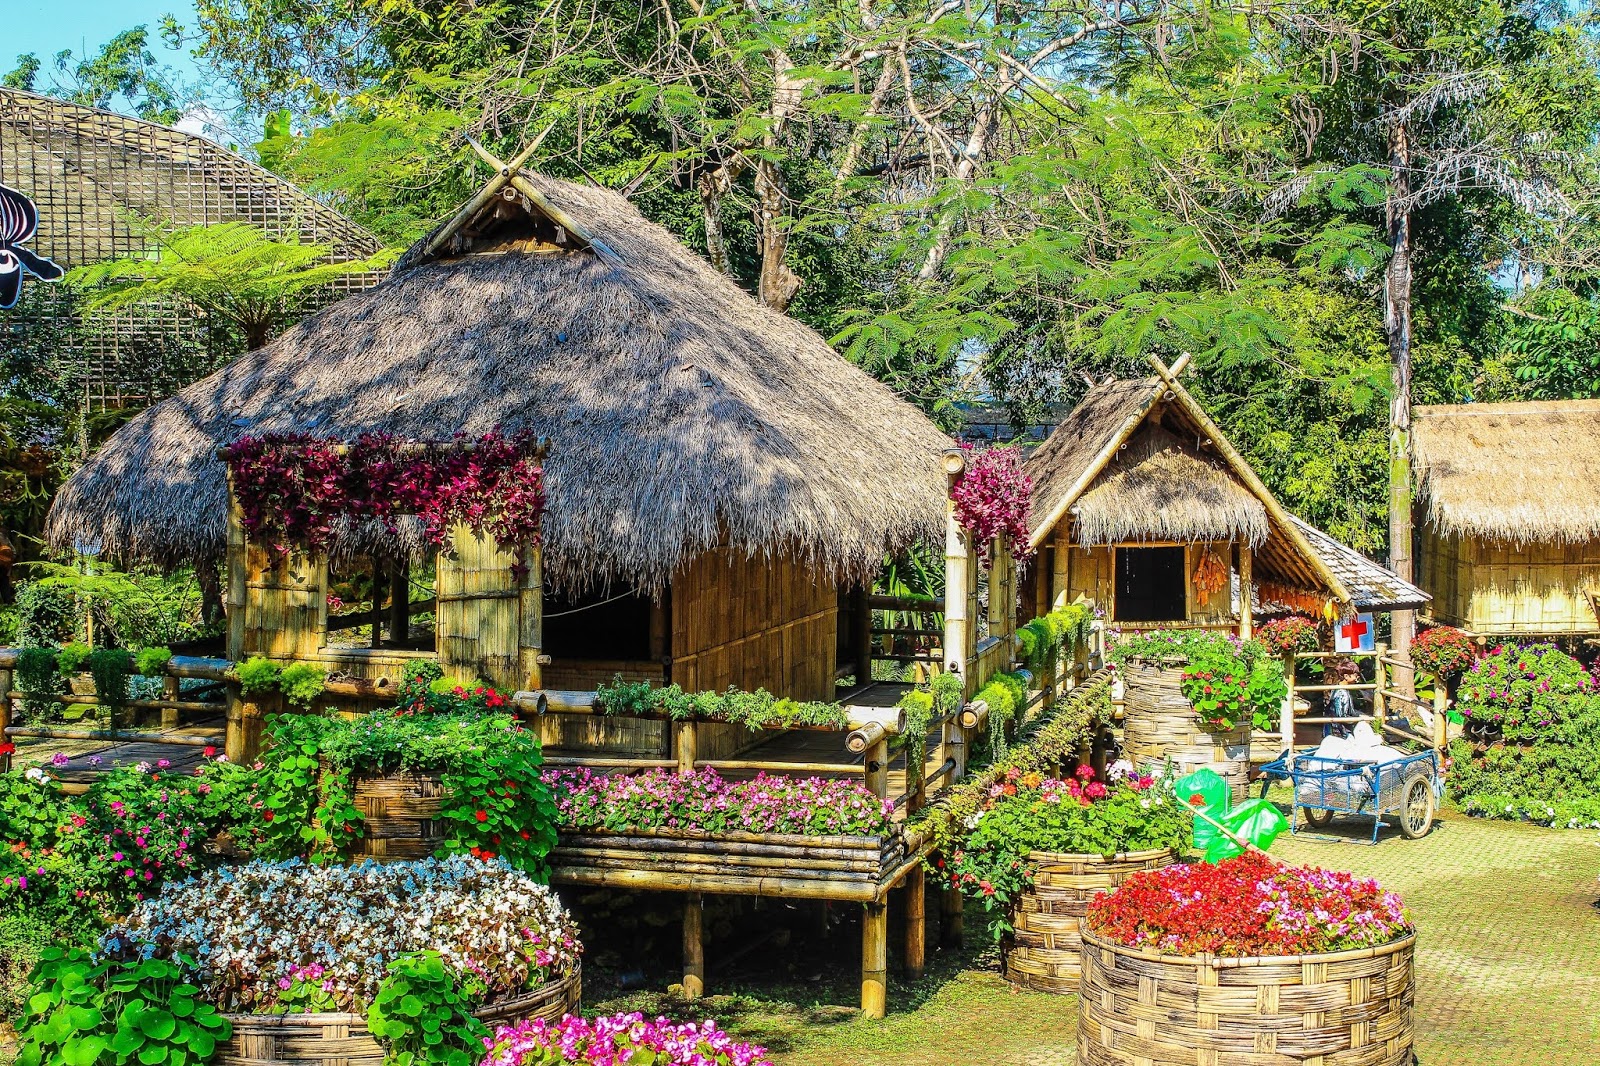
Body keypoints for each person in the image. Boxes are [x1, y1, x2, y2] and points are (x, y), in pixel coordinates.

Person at [1324, 657, 1360, 738]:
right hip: (1339, 731)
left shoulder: (1339, 688)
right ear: (1346, 676)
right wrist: (1358, 719)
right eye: (1355, 675)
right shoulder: (1342, 693)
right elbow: (1340, 716)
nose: (1357, 678)